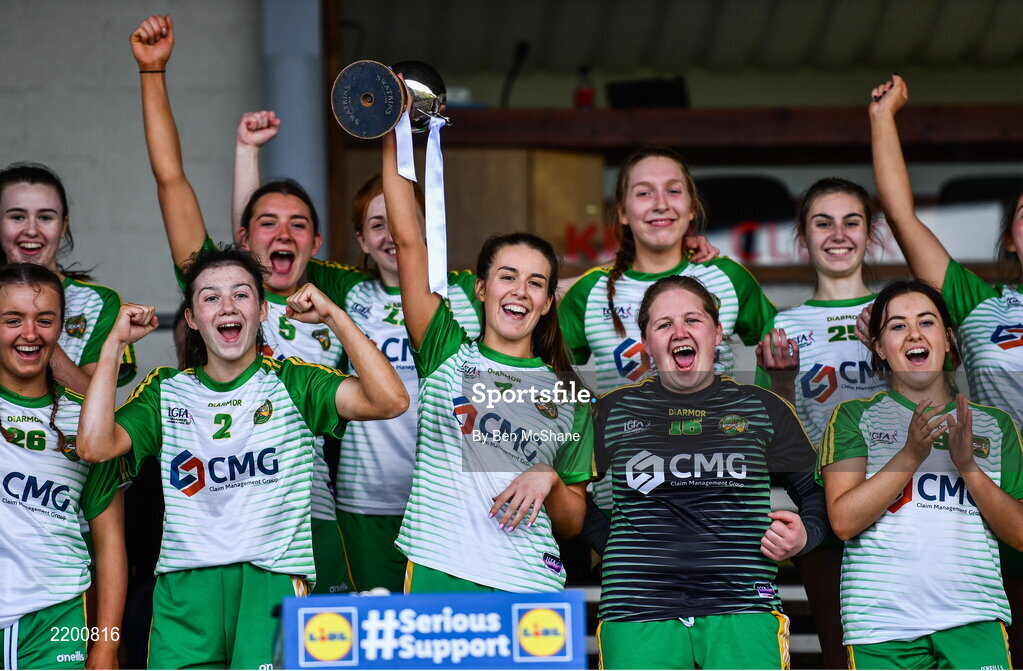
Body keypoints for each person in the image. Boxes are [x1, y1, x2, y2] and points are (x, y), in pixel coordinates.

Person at [76, 245, 407, 668]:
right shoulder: (165, 390)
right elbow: (93, 446)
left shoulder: (295, 381)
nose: (227, 306)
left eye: (241, 294)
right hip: (184, 590)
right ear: (193, 319)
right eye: (211, 297)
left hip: (270, 581)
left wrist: (334, 317)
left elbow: (391, 400)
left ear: (263, 310)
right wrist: (112, 345)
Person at [131, 14, 360, 594]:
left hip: (309, 514)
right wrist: (152, 71)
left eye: (298, 224)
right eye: (267, 223)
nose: (282, 234)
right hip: (211, 517)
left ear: (316, 242)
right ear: (244, 237)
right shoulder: (218, 287)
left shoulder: (336, 294)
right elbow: (171, 180)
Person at [233, 121, 482, 592]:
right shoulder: (345, 288)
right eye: (375, 224)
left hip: (449, 496)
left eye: (402, 220)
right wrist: (246, 151)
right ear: (361, 241)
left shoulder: (471, 291)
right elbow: (255, 249)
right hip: (362, 499)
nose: (391, 234)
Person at [381, 128, 594, 593]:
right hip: (442, 568)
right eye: (507, 276)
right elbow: (409, 241)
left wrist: (549, 478)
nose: (520, 290)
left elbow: (573, 523)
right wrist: (391, 131)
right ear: (481, 289)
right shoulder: (444, 353)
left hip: (531, 583)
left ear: (547, 303)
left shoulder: (571, 394)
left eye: (536, 283)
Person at [593, 275, 827, 670]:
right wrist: (611, 540)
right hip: (636, 610)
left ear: (717, 332)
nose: (679, 332)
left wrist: (805, 534)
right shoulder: (614, 410)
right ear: (646, 344)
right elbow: (567, 490)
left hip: (743, 608)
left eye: (692, 320)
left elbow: (817, 493)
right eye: (663, 324)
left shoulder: (763, 407)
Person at [869, 73, 1023, 662]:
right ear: (1008, 238)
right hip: (990, 495)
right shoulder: (981, 305)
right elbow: (902, 217)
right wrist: (884, 119)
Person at [559, 146, 776, 515]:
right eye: (644, 193)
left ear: (691, 208)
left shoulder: (727, 276)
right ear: (623, 213)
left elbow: (777, 358)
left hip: (725, 500)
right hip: (628, 507)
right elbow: (553, 380)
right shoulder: (589, 291)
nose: (660, 203)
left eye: (673, 191)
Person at [819, 279, 1022, 669]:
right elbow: (843, 522)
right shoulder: (851, 418)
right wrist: (910, 455)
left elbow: (1019, 534)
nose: (914, 333)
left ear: (948, 339)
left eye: (926, 322)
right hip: (880, 626)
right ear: (879, 346)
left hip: (974, 618)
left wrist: (969, 469)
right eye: (897, 325)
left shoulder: (997, 425)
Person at [755, 178, 887, 668]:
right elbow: (773, 446)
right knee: (838, 648)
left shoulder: (897, 312)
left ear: (872, 234)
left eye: (852, 221)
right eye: (822, 222)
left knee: (902, 641)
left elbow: (936, 401)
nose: (838, 234)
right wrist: (783, 385)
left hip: (899, 500)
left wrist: (886, 349)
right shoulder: (783, 327)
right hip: (821, 504)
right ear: (802, 237)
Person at [0, 263, 126, 670]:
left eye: (45, 320)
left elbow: (110, 547)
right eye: (12, 320)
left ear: (61, 329)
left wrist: (105, 647)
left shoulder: (88, 425)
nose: (30, 334)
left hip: (58, 622)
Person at [0, 163, 136, 394]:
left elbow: (96, 398)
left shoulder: (99, 302)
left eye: (45, 217)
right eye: (17, 217)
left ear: (63, 226)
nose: (32, 230)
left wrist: (39, 338)